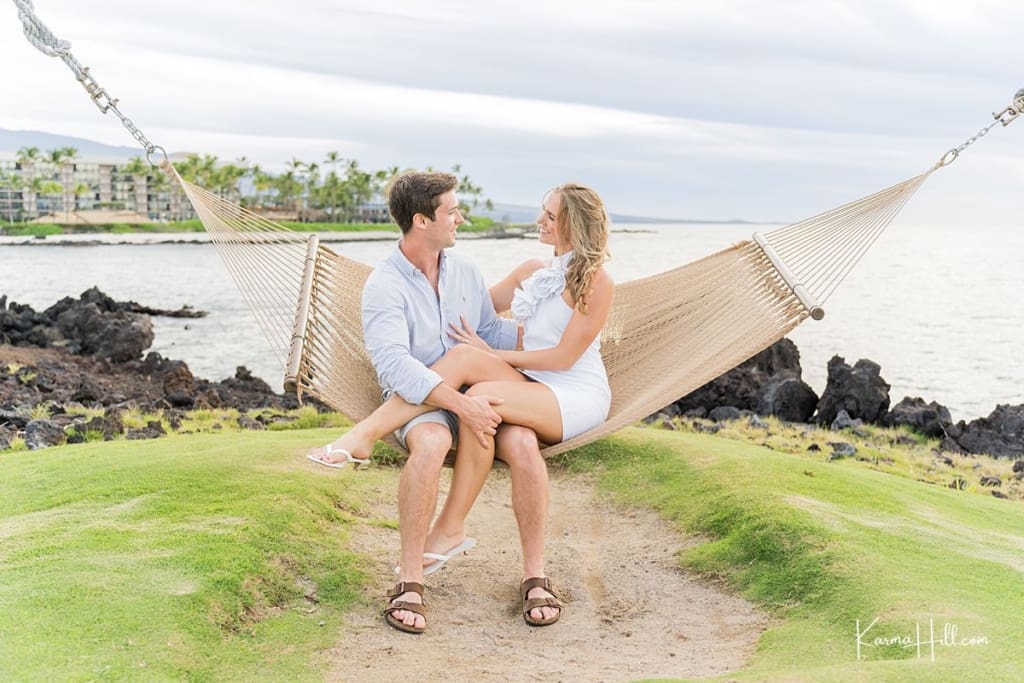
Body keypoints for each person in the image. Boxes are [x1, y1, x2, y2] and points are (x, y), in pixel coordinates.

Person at [307, 172, 613, 633]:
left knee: (510, 428)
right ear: (421, 220)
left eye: (549, 215)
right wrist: (467, 383)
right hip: (430, 400)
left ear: (572, 224)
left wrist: (486, 359)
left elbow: (499, 338)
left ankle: (530, 572)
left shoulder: (473, 272)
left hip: (544, 389)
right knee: (437, 437)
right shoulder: (386, 285)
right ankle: (411, 579)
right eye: (452, 211)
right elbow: (400, 365)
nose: (461, 218)